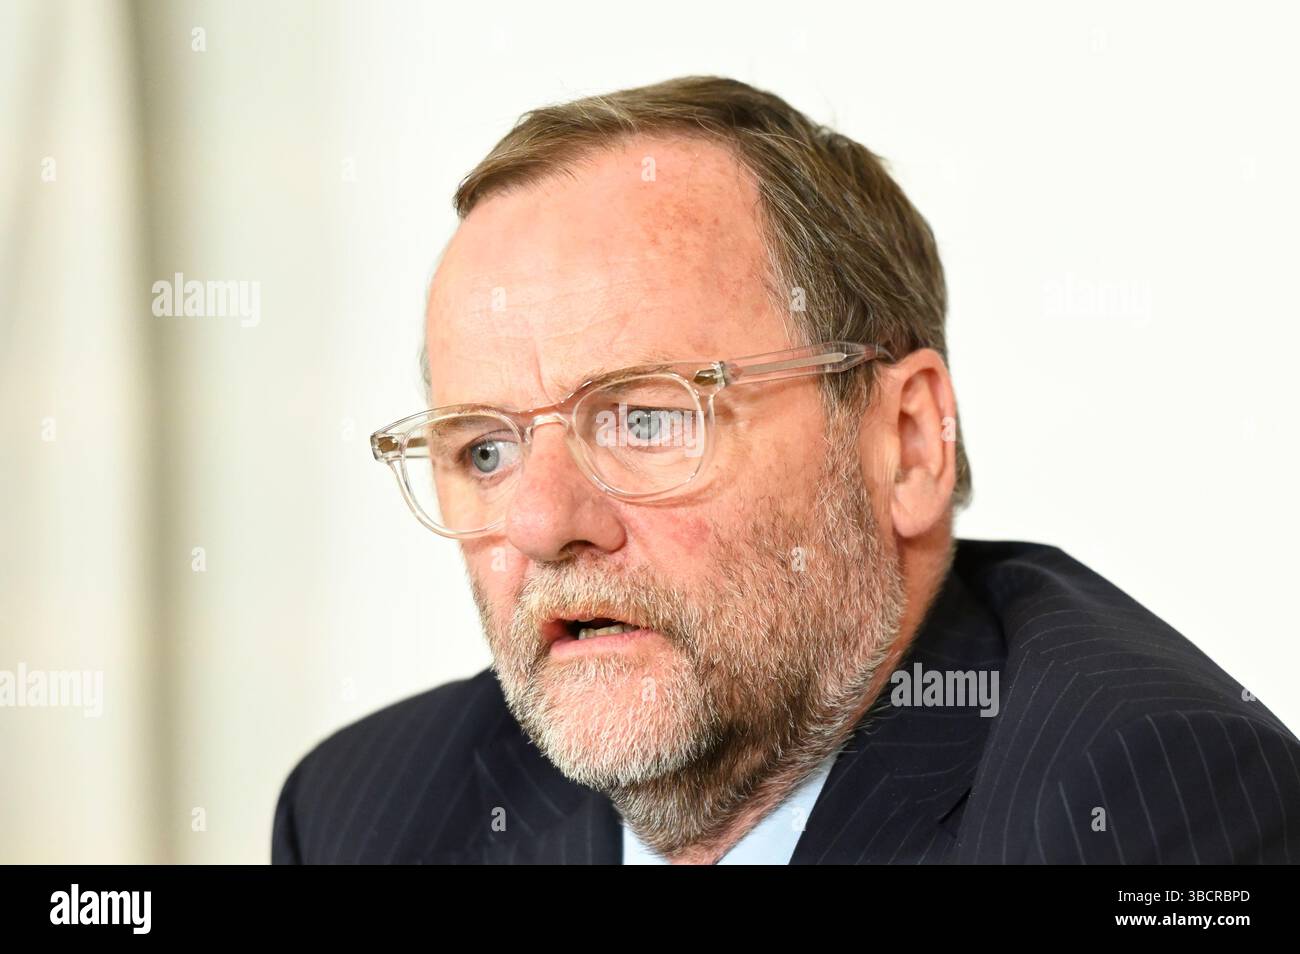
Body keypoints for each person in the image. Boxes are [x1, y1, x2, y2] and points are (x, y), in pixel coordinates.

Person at [272, 76, 1300, 864]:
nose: (543, 522)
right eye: (484, 449)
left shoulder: (1142, 805)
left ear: (903, 441)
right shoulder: (366, 814)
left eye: (644, 416)